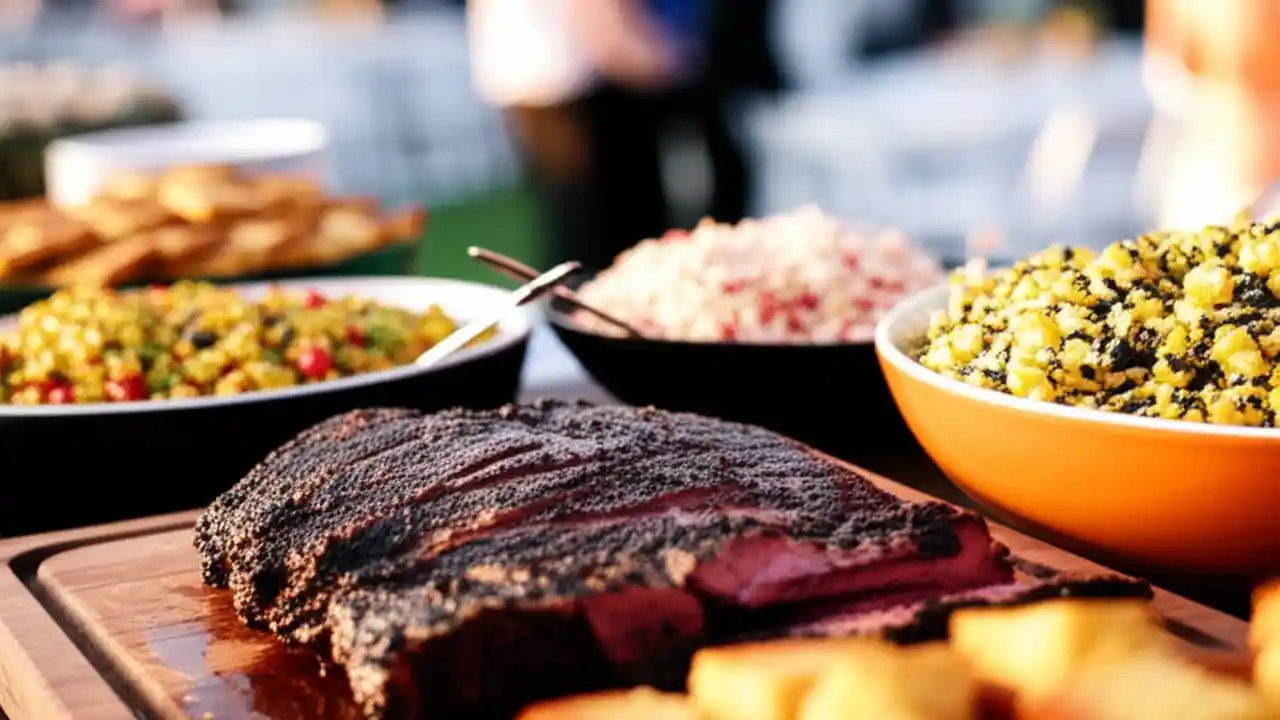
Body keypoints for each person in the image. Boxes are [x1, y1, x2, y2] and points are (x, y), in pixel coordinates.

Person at [468, 0, 780, 271]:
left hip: (552, 81)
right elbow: (604, 31)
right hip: (568, 86)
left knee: (578, 221)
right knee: (596, 229)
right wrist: (682, 67)